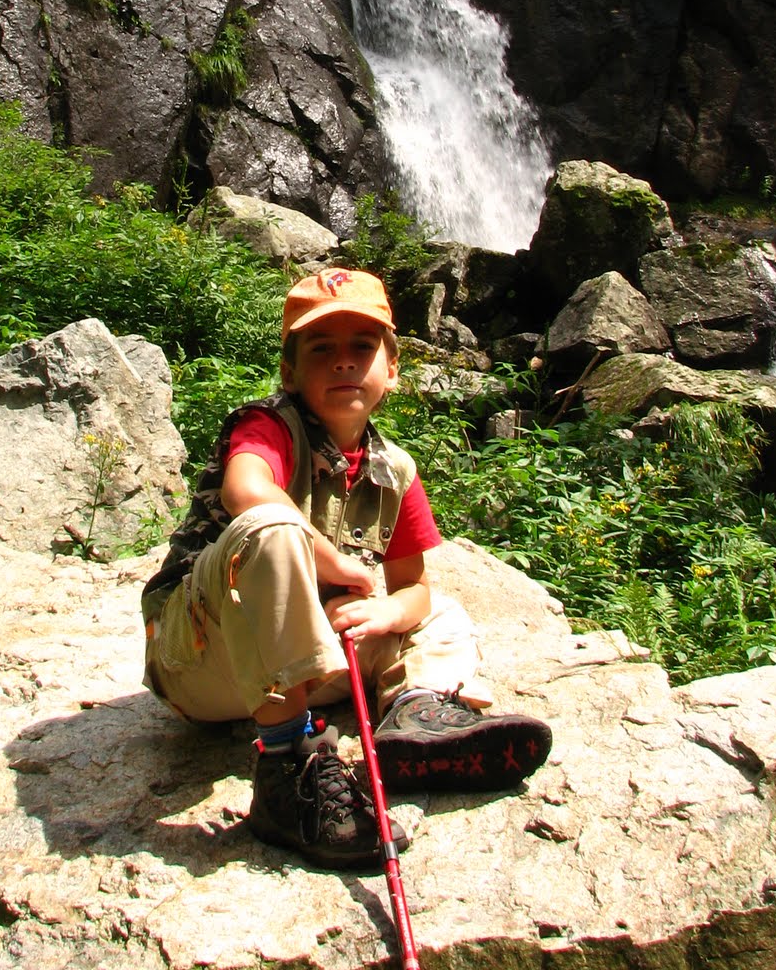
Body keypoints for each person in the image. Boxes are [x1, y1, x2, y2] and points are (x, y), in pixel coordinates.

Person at [141, 265, 552, 869]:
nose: (343, 362)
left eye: (362, 347)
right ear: (290, 370)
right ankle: (287, 768)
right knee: (273, 528)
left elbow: (412, 588)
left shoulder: (396, 470)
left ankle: (418, 718)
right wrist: (332, 561)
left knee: (437, 613)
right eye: (321, 348)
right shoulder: (269, 426)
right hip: (205, 658)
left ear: (392, 369)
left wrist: (385, 609)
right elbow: (244, 491)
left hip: (299, 665)